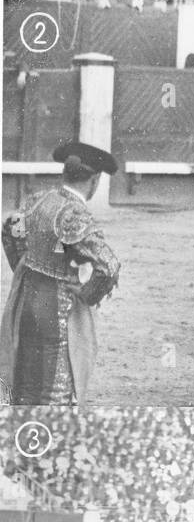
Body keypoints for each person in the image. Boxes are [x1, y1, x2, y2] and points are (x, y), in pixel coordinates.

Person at [0, 141, 120, 405]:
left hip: (27, 302)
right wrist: (88, 295)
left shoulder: (35, 199)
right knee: (57, 390)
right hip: (58, 308)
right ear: (95, 180)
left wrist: (23, 265)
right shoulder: (75, 214)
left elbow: (10, 231)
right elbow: (109, 266)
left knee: (25, 381)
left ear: (64, 173)